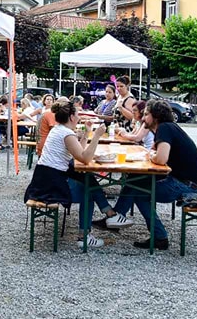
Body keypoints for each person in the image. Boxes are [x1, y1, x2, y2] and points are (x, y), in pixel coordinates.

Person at [24, 103, 133, 249]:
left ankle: (110, 215)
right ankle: (86, 235)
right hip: (49, 186)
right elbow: (85, 158)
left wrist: (87, 133)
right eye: (77, 114)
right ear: (71, 117)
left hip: (45, 179)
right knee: (87, 192)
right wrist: (96, 136)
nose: (79, 117)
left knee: (87, 178)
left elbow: (78, 153)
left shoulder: (59, 130)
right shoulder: (66, 134)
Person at [113, 100, 197, 250]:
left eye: (146, 114)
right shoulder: (168, 128)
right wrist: (153, 154)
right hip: (182, 180)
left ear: (156, 116)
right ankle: (115, 217)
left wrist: (153, 156)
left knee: (140, 192)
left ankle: (160, 237)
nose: (142, 118)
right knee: (135, 180)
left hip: (184, 185)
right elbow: (156, 152)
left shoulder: (165, 128)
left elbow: (161, 158)